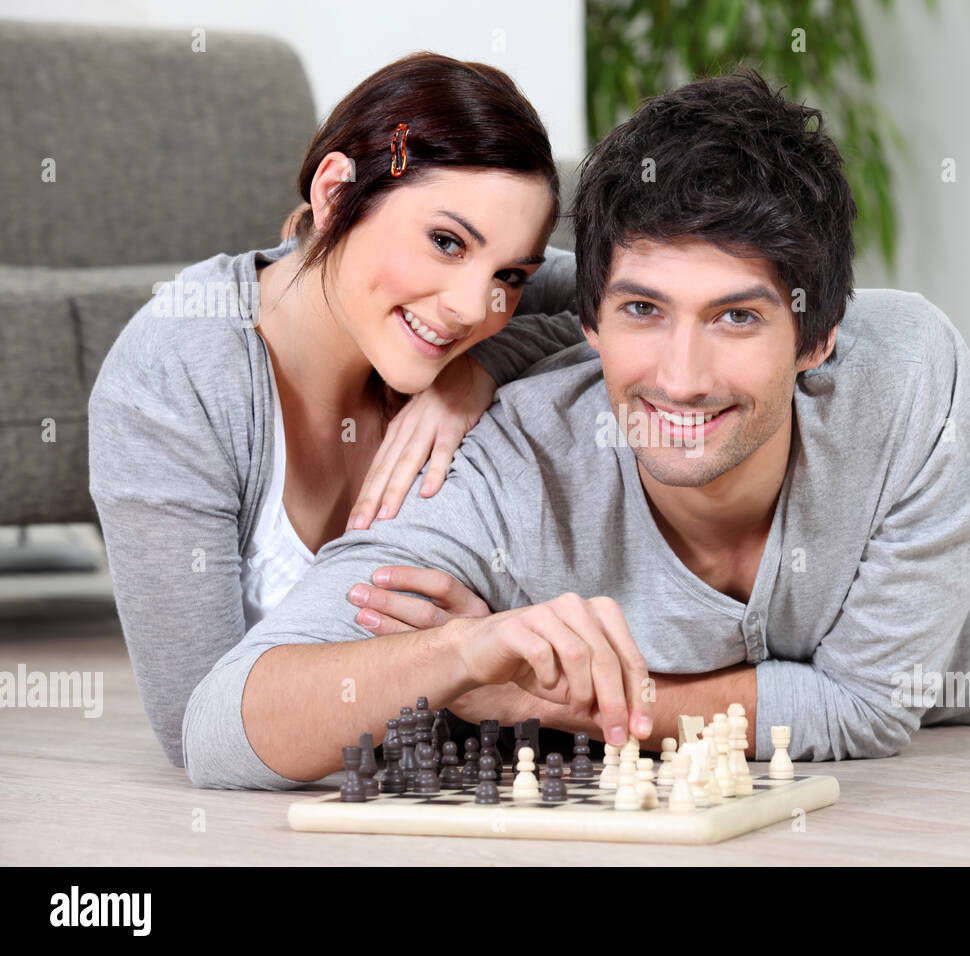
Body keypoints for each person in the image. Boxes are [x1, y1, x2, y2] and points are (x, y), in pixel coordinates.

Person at [183, 68, 970, 790]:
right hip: (821, 432)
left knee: (956, 459)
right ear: (587, 317)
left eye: (736, 317)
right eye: (644, 310)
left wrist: (539, 705)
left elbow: (866, 712)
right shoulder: (502, 468)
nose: (680, 377)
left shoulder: (910, 362)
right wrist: (460, 655)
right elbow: (221, 727)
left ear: (817, 333)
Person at [87, 52, 592, 769]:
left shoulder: (478, 331)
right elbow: (194, 728)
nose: (473, 308)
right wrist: (453, 663)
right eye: (446, 243)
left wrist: (485, 367)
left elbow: (641, 310)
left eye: (509, 276)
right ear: (334, 193)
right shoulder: (177, 377)